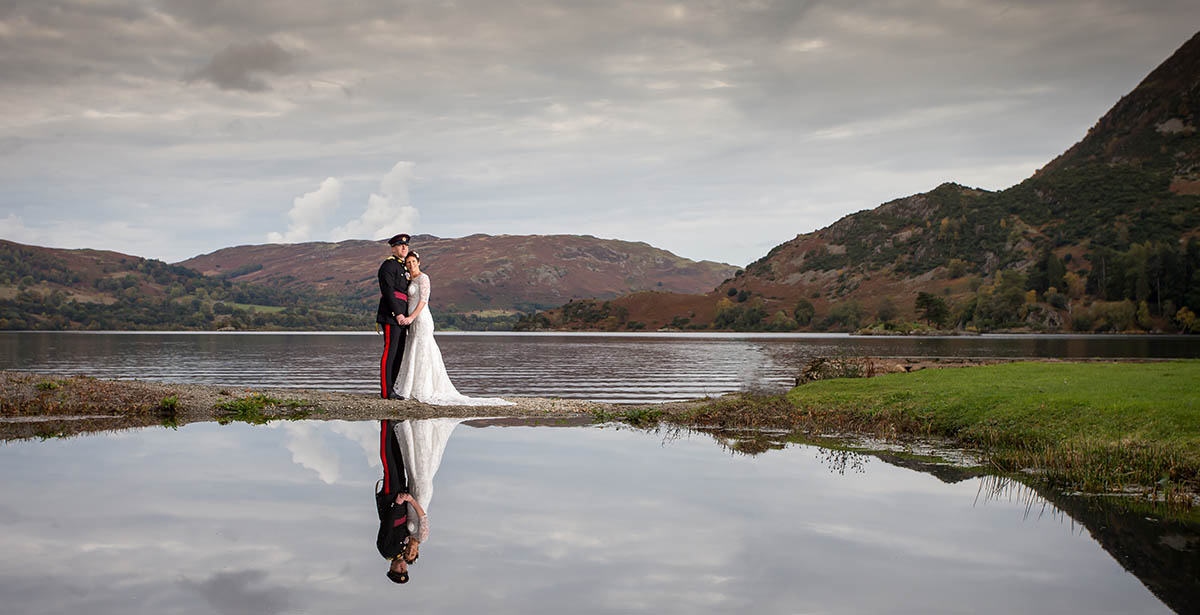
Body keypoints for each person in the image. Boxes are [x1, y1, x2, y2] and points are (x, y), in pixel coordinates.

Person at [393, 252, 514, 406]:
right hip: (411, 320)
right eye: (408, 262)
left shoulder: (424, 278)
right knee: (413, 349)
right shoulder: (410, 279)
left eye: (413, 262)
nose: (411, 265)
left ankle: (424, 389)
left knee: (424, 350)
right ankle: (410, 387)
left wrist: (411, 317)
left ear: (419, 262)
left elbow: (423, 300)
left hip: (421, 318)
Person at [376, 419, 428, 584]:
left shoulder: (386, 551)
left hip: (392, 499)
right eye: (405, 570)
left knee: (389, 463)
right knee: (399, 464)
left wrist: (397, 504)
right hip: (401, 500)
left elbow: (388, 525)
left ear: (392, 569)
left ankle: (385, 426)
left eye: (400, 570)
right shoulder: (401, 551)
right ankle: (394, 429)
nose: (403, 567)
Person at [376, 234, 411, 399]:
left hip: (403, 316)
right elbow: (388, 292)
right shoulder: (388, 266)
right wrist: (397, 313)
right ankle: (385, 391)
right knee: (390, 351)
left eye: (406, 246)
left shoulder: (403, 267)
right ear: (393, 248)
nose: (404, 248)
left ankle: (392, 389)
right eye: (400, 245)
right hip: (391, 315)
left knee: (399, 352)